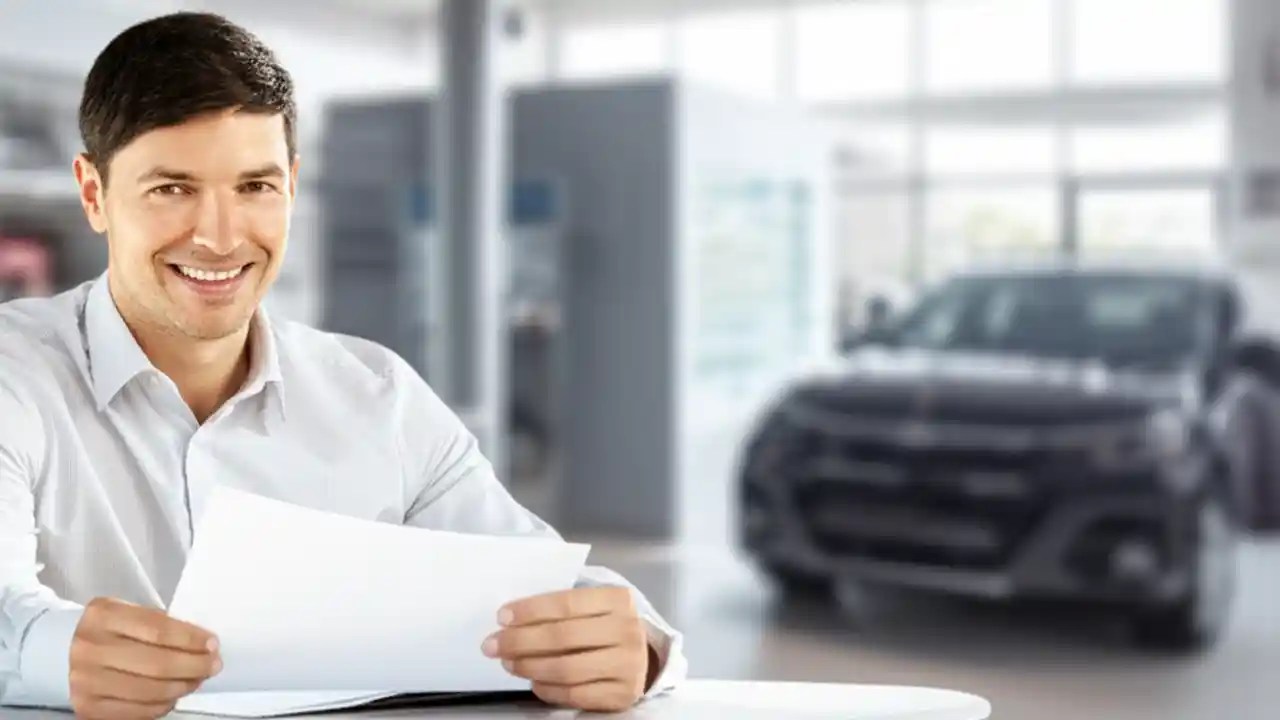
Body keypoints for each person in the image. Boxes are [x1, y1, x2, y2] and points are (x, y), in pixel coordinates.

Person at [0, 12, 685, 720]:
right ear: (94, 195)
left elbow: (541, 586)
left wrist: (630, 644)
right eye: (172, 189)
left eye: (255, 187)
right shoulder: (14, 375)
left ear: (293, 186)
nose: (221, 237)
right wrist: (56, 653)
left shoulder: (380, 397)